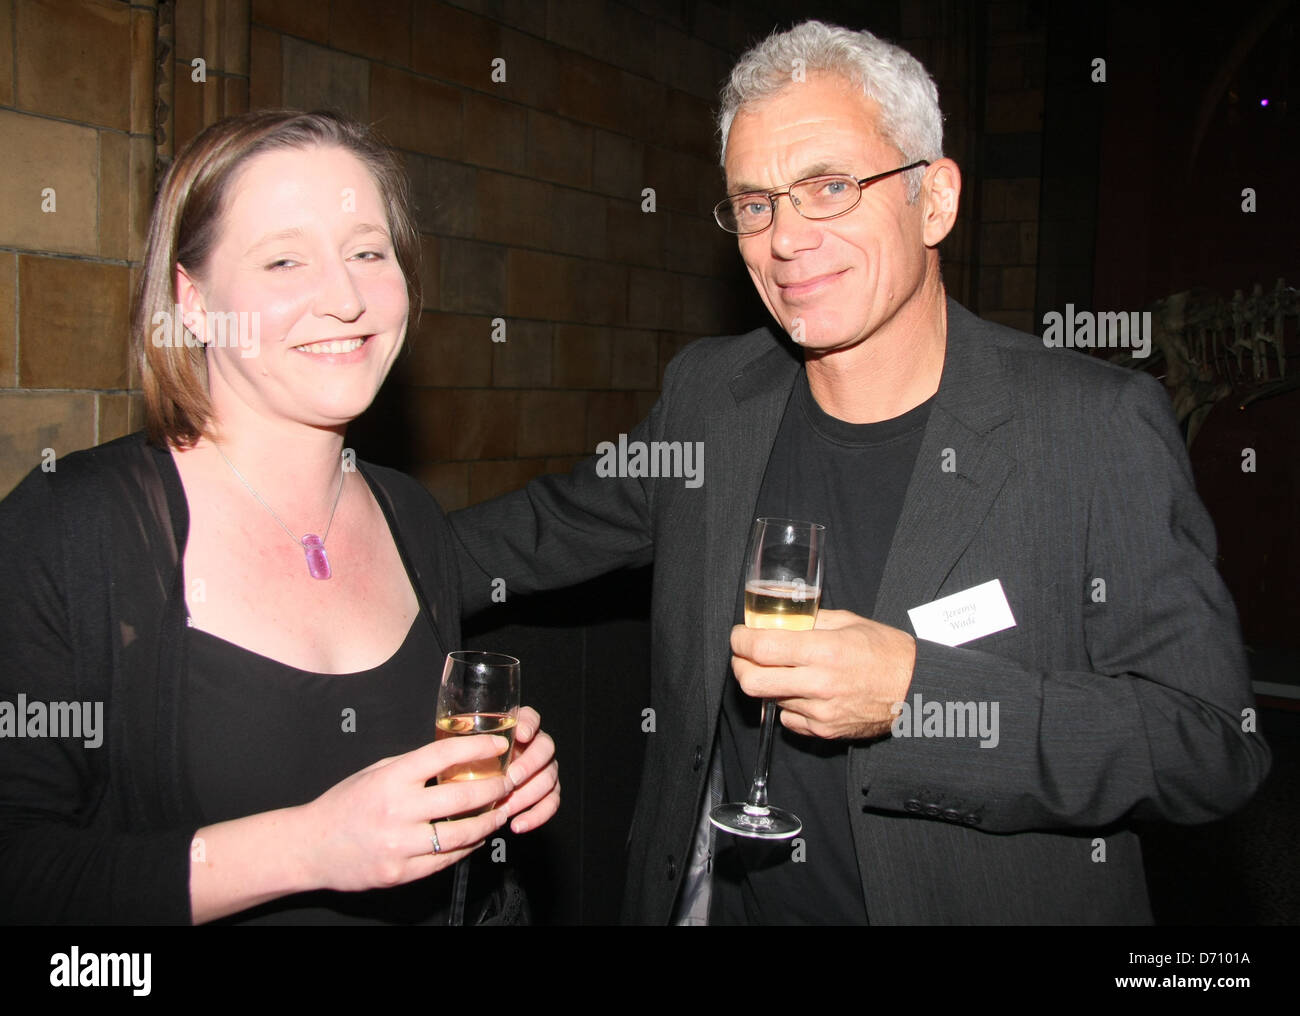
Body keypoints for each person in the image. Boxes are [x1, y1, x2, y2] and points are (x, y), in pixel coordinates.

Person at [449, 21, 1269, 924]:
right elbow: (535, 533)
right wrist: (306, 538)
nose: (786, 238)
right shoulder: (712, 401)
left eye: (829, 187)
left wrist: (917, 697)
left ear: (935, 200)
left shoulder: (1090, 425)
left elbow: (1208, 745)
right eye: (754, 203)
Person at [0, 110, 559, 924]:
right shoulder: (70, 528)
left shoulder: (408, 515)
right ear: (192, 302)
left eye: (368, 252)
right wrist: (308, 847)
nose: (345, 298)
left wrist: (487, 801)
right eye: (284, 259)